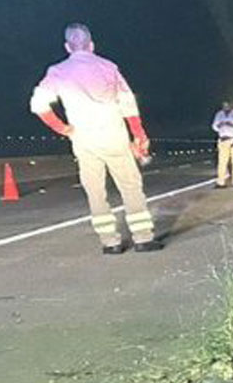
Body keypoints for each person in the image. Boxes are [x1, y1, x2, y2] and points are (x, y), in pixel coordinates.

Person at [30, 23, 162, 254]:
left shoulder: (58, 71)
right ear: (91, 45)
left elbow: (38, 105)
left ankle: (110, 242)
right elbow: (128, 103)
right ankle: (143, 237)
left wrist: (63, 128)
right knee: (130, 186)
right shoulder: (108, 67)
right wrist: (139, 134)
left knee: (95, 191)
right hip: (113, 133)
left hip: (83, 137)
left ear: (67, 47)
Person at [211, 101, 233, 188]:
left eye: (227, 105)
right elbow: (214, 126)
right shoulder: (219, 114)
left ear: (231, 105)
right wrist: (220, 125)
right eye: (224, 105)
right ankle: (221, 182)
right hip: (223, 140)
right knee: (222, 162)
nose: (225, 107)